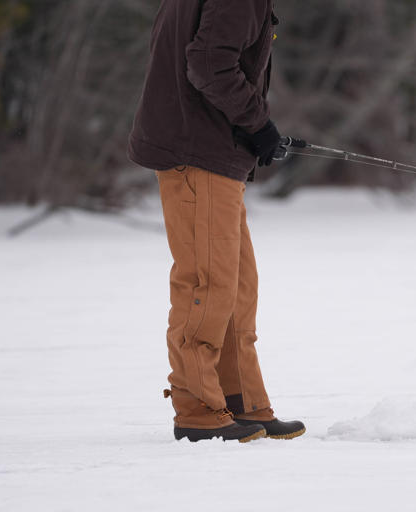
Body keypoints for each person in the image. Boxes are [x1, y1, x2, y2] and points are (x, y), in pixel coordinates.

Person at [127, 0, 304, 443]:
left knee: (238, 283)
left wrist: (255, 131)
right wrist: (257, 123)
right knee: (208, 282)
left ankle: (239, 399)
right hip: (195, 149)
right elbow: (208, 65)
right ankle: (197, 407)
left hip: (212, 149)